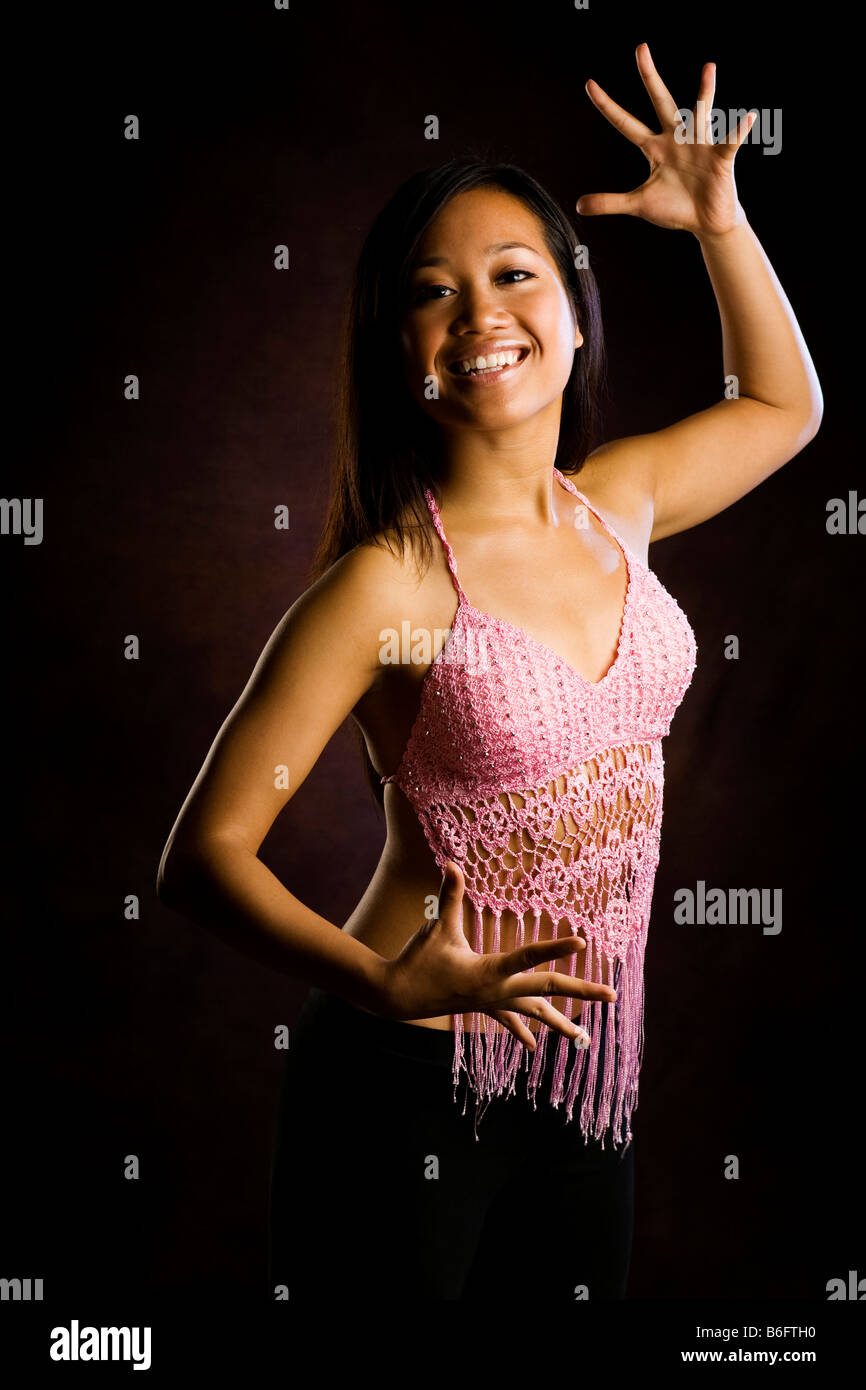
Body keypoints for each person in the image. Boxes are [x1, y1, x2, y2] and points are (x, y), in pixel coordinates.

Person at [156, 44, 822, 1301]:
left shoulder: (617, 502)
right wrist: (380, 977)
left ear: (572, 312)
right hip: (405, 1086)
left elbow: (785, 410)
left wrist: (719, 222)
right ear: (398, 348)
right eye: (432, 292)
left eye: (514, 275)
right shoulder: (387, 585)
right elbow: (201, 855)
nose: (480, 315)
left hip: (584, 1075)